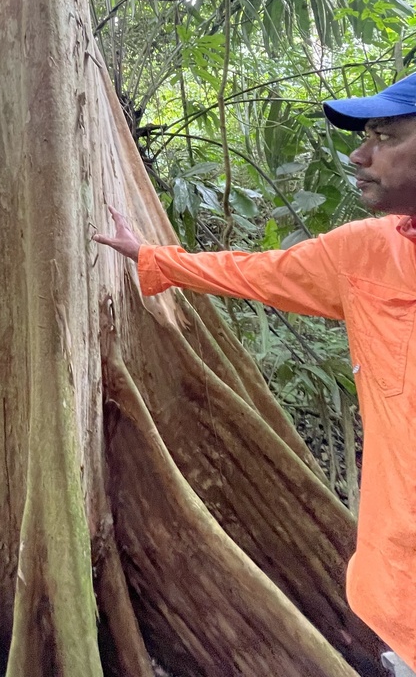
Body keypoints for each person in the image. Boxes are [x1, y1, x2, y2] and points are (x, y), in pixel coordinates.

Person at [94, 73, 416, 677]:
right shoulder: (364, 253)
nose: (360, 153)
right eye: (365, 134)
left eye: (386, 135)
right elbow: (258, 271)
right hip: (397, 585)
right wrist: (152, 258)